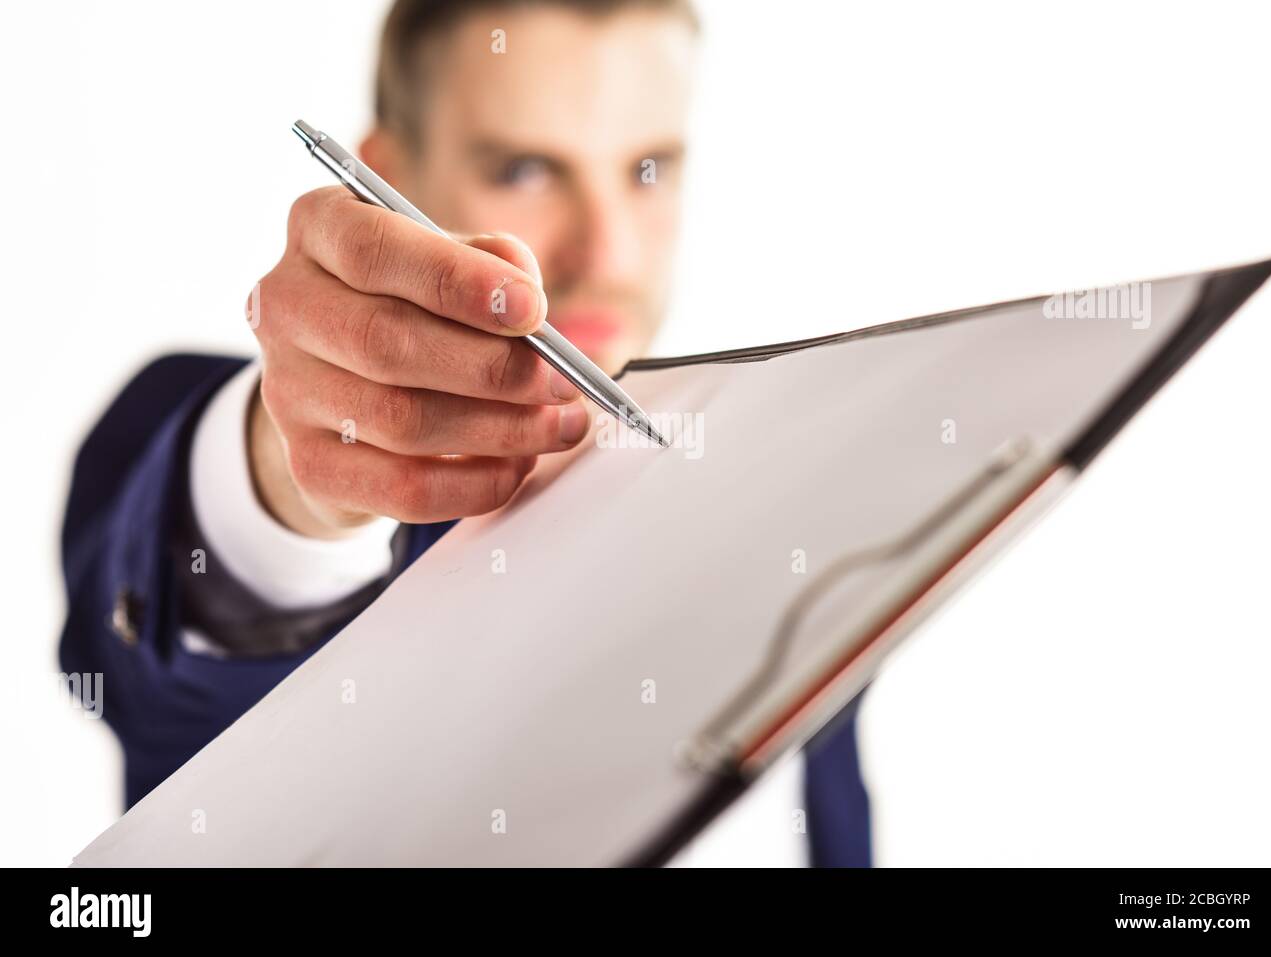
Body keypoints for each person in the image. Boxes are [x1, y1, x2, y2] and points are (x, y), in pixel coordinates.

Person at [59, 0, 871, 867]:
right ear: (386, 182)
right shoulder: (186, 449)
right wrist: (300, 475)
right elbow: (174, 683)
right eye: (524, 168)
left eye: (646, 168)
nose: (609, 256)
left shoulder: (787, 495)